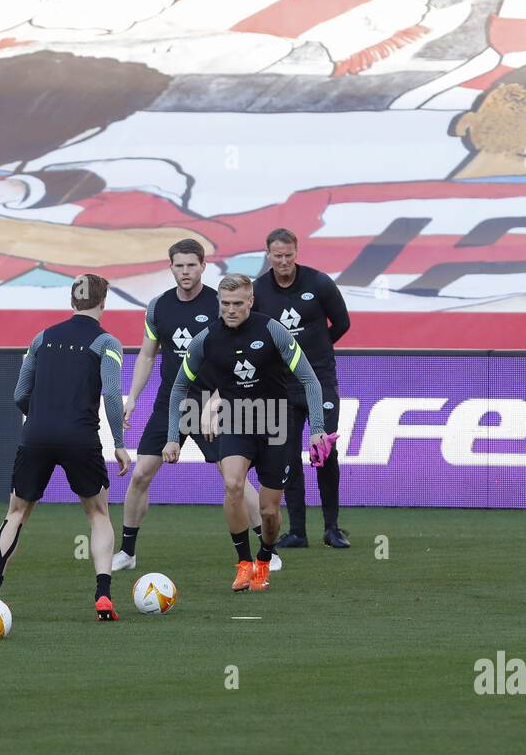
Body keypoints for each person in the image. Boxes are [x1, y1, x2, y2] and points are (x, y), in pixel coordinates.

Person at [113, 239, 280, 572]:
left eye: (192, 265)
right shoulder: (158, 306)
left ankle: (267, 550)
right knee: (141, 474)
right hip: (171, 401)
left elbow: (240, 350)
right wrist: (132, 396)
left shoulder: (219, 303)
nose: (185, 271)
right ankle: (128, 552)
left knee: (233, 479)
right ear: (171, 267)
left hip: (213, 401)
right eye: (179, 265)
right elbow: (148, 354)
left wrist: (219, 399)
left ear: (203, 266)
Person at [0, 273, 131, 621]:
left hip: (36, 434)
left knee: (16, 513)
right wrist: (120, 444)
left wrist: (41, 419)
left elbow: (20, 394)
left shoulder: (42, 338)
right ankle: (103, 595)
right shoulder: (107, 342)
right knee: (98, 514)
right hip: (80, 436)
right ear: (103, 302)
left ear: (71, 301)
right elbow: (111, 394)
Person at [165, 274, 325, 592]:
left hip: (276, 423)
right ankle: (243, 564)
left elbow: (310, 380)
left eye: (238, 303)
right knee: (233, 483)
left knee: (268, 511)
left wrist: (317, 429)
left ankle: (264, 559)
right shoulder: (206, 339)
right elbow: (180, 386)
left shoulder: (272, 330)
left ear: (250, 301)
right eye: (225, 304)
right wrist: (173, 436)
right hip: (237, 421)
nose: (231, 309)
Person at [252, 228, 350, 549]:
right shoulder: (258, 291)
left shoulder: (319, 283)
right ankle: (297, 531)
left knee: (324, 451)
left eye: (288, 255)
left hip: (319, 380)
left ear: (297, 252)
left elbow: (342, 323)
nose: (283, 261)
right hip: (282, 385)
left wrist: (315, 353)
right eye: (277, 256)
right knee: (288, 456)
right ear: (268, 254)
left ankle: (332, 527)